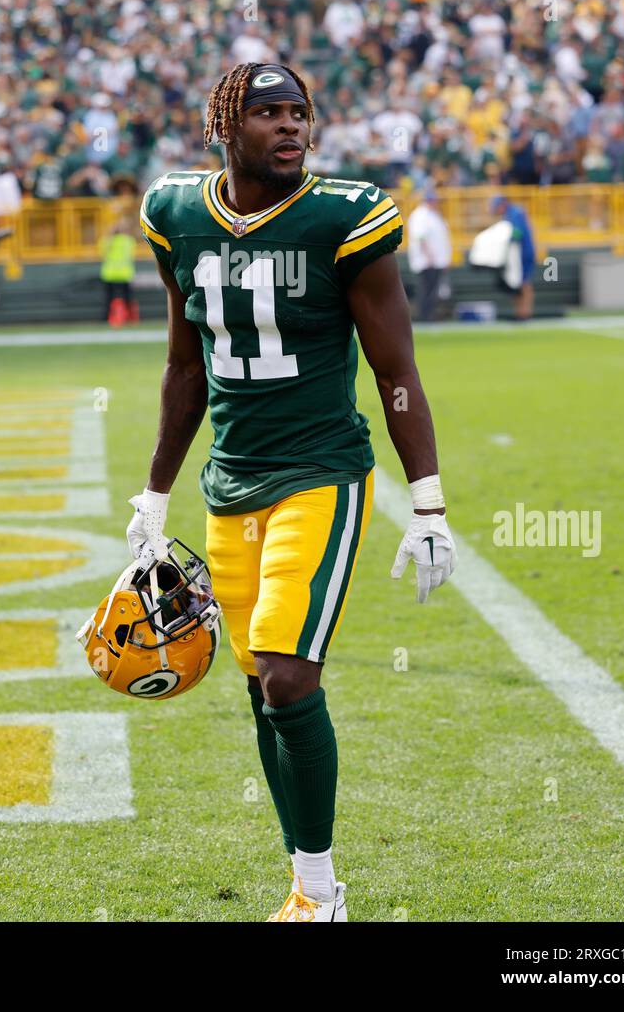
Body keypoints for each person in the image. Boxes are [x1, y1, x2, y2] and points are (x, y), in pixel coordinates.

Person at [132, 62, 456, 922]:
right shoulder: (174, 213)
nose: (289, 127)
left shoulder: (342, 218)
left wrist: (427, 504)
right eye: (268, 113)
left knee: (284, 678)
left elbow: (396, 369)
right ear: (223, 128)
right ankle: (305, 891)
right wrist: (154, 495)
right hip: (228, 480)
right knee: (255, 683)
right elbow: (181, 365)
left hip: (319, 471)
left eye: (298, 113)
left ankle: (321, 893)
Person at [407, 184, 451, 322]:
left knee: (432, 291)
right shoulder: (420, 215)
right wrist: (429, 256)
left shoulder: (434, 215)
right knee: (426, 291)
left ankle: (428, 316)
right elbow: (421, 237)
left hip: (436, 261)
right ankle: (424, 317)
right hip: (427, 261)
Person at [491, 195, 536, 320]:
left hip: (523, 253)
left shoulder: (515, 213)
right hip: (516, 253)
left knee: (524, 282)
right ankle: (519, 312)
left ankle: (525, 312)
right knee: (516, 283)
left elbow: (517, 233)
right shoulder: (509, 215)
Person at [99, 208, 137, 326]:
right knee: (126, 298)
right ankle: (128, 318)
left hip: (110, 273)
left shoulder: (110, 240)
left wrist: (111, 232)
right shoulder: (129, 241)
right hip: (124, 273)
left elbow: (102, 250)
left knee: (109, 298)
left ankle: (109, 318)